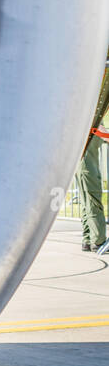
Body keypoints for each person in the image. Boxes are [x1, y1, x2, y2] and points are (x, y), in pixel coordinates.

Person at [80, 62, 109, 253]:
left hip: (87, 140)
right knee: (91, 190)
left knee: (85, 191)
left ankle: (89, 237)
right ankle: (98, 239)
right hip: (88, 140)